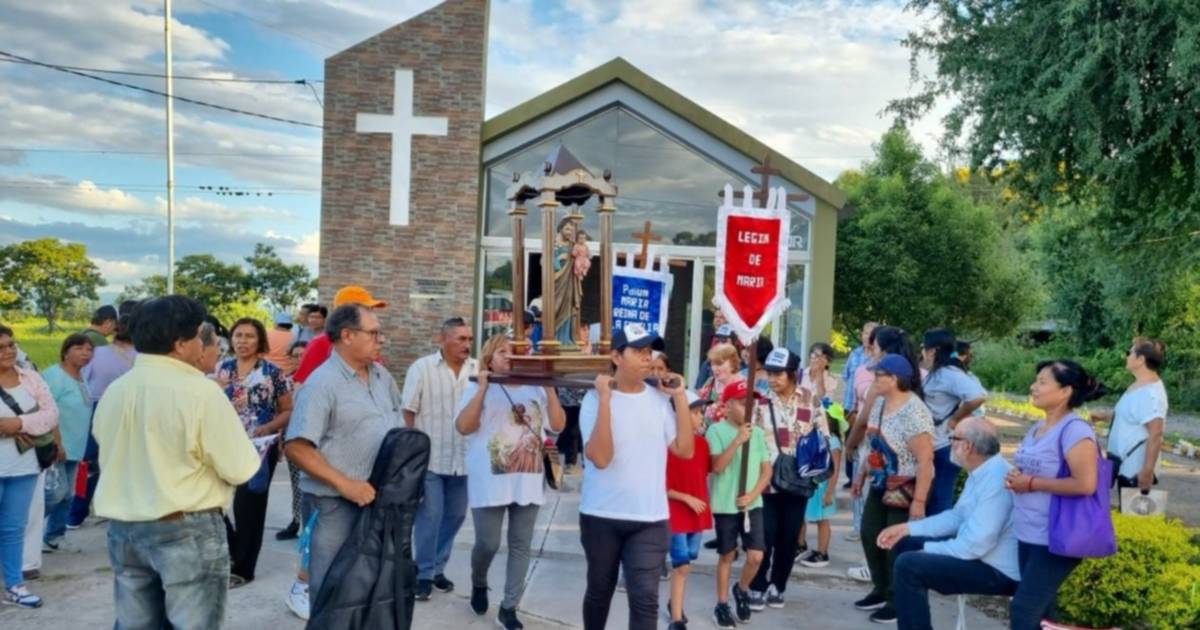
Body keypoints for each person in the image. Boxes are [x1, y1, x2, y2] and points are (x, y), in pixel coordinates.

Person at [93, 296, 260, 629]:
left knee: (134, 624)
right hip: (185, 528)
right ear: (180, 344)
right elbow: (241, 468)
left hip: (124, 529)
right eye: (200, 337)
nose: (205, 345)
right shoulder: (200, 392)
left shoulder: (117, 390)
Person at [284, 304, 404, 598]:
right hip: (335, 505)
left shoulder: (382, 377)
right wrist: (346, 484)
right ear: (347, 335)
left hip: (379, 502)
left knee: (369, 590)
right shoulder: (322, 384)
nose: (382, 339)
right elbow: (297, 447)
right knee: (331, 591)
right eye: (374, 333)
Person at [578, 323, 691, 630]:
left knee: (645, 598)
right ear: (616, 356)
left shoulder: (657, 398)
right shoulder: (592, 401)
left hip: (650, 518)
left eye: (648, 351)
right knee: (600, 592)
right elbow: (601, 458)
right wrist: (604, 400)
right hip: (601, 514)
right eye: (638, 351)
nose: (647, 358)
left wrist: (679, 397)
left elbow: (684, 449)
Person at [454, 333, 565, 630]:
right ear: (490, 357)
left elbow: (557, 425)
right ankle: (479, 582)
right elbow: (464, 427)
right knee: (488, 543)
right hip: (489, 479)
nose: (510, 356)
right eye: (503, 352)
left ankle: (509, 607)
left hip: (528, 479)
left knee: (521, 545)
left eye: (515, 352)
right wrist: (482, 390)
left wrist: (550, 387)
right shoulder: (477, 386)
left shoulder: (536, 388)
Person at [878, 417, 1020, 630]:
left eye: (953, 438)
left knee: (909, 565)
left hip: (997, 571)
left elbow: (973, 546)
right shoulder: (982, 470)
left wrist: (927, 549)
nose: (948, 442)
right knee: (907, 544)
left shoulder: (996, 479)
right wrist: (907, 528)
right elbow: (957, 516)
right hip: (980, 557)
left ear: (968, 446)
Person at [1005, 360, 1106, 630]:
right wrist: (1017, 479)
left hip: (1057, 536)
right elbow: (1031, 470)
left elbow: (1086, 484)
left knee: (1023, 610)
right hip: (1029, 532)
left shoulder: (1076, 430)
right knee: (1044, 615)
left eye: (1042, 382)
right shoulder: (1036, 428)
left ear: (1065, 392)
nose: (1033, 387)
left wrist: (1033, 483)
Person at [853, 353, 935, 624]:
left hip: (905, 487)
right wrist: (862, 473)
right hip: (880, 482)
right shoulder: (879, 403)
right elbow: (873, 442)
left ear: (895, 379)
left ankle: (895, 600)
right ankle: (880, 588)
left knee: (893, 544)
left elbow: (925, 461)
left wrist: (919, 502)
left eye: (879, 376)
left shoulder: (914, 412)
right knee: (869, 533)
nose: (874, 380)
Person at [403, 316, 478, 600]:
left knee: (456, 516)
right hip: (430, 459)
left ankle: (436, 568)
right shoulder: (421, 368)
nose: (467, 344)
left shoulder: (477, 370)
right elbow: (408, 411)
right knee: (430, 516)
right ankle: (423, 573)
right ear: (442, 339)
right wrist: (411, 454)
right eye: (460, 338)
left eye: (469, 339)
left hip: (464, 458)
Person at [217, 317, 295, 588]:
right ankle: (233, 549)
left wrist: (270, 427)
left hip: (260, 449)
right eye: (238, 335)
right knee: (213, 502)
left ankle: (243, 568)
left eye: (249, 336)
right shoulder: (221, 370)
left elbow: (287, 410)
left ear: (260, 340)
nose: (242, 341)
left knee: (248, 507)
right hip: (225, 444)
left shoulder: (274, 373)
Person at [747, 348, 823, 610]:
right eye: (770, 372)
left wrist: (818, 470)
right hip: (766, 480)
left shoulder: (810, 399)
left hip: (799, 481)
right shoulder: (760, 401)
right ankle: (757, 585)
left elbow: (821, 435)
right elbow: (752, 439)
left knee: (789, 537)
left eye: (778, 373)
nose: (773, 378)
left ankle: (778, 585)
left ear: (792, 374)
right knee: (764, 535)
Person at [0, 324, 58, 608]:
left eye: (11, 344)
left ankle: (14, 584)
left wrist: (19, 423)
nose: (9, 351)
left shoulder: (30, 378)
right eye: (1, 347)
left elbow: (50, 415)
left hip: (23, 465)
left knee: (13, 527)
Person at [70, 299, 139, 529]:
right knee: (127, 461)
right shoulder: (143, 357)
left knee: (88, 463)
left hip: (97, 409)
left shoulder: (96, 353)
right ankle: (122, 510)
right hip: (132, 411)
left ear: (115, 330)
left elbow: (83, 380)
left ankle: (75, 514)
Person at [707, 379, 771, 628]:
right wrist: (736, 441)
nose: (749, 405)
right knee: (727, 554)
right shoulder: (716, 431)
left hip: (752, 504)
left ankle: (741, 589)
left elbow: (766, 470)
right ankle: (721, 604)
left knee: (756, 556)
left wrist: (754, 493)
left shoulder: (756, 433)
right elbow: (717, 467)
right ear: (729, 404)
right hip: (726, 504)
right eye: (743, 401)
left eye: (752, 401)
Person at [921, 329, 988, 516]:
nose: (922, 353)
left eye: (923, 348)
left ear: (932, 351)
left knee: (940, 499)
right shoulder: (936, 373)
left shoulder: (950, 374)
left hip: (944, 445)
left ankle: (939, 542)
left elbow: (978, 397)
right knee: (932, 497)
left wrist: (955, 419)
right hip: (934, 443)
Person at [40, 334, 94, 551]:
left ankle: (54, 536)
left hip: (77, 446)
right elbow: (47, 410)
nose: (85, 353)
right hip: (58, 445)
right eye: (80, 348)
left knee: (70, 494)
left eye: (90, 350)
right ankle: (26, 529)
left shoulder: (82, 376)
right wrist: (57, 442)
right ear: (66, 350)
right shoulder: (54, 375)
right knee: (55, 493)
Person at [1095, 337, 1167, 493]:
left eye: (1130, 352)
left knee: (1130, 512)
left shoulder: (1151, 393)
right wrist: (1106, 416)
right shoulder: (1138, 384)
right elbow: (1134, 415)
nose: (1126, 356)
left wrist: (1147, 470)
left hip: (1134, 466)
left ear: (1141, 359)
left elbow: (1156, 433)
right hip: (1118, 456)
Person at [665, 390, 712, 630]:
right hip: (677, 513)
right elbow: (662, 485)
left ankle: (675, 601)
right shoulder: (668, 446)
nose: (700, 417)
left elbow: (707, 472)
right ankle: (676, 619)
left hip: (697, 513)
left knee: (688, 563)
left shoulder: (703, 444)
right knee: (681, 565)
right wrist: (685, 497)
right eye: (694, 412)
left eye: (700, 412)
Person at [293, 288, 386, 384]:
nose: (372, 314)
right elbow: (303, 385)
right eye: (367, 309)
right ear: (343, 314)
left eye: (371, 309)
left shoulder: (368, 345)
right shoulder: (320, 344)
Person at [799, 404, 843, 569]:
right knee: (806, 516)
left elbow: (835, 469)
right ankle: (802, 545)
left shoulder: (833, 441)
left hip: (824, 488)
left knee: (823, 520)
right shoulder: (817, 437)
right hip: (813, 486)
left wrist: (829, 492)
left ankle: (822, 552)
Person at [277, 339, 309, 543]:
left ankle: (309, 523)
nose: (299, 359)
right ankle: (297, 520)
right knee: (296, 483)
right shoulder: (286, 381)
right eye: (295, 356)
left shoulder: (317, 380)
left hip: (314, 440)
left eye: (303, 355)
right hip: (292, 438)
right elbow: (281, 411)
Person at [697, 343, 744, 426]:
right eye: (712, 364)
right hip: (707, 435)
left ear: (733, 364)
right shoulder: (710, 382)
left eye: (719, 364)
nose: (715, 368)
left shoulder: (742, 386)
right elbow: (698, 410)